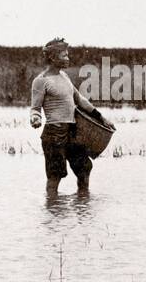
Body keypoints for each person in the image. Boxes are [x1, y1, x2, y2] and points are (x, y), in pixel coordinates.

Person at [29, 38, 106, 194]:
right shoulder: (40, 81)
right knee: (55, 176)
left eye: (67, 54)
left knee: (84, 168)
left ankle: (82, 203)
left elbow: (80, 100)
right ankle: (52, 209)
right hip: (54, 134)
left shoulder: (64, 77)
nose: (68, 58)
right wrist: (35, 118)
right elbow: (35, 108)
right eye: (64, 55)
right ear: (52, 57)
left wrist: (101, 117)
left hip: (72, 132)